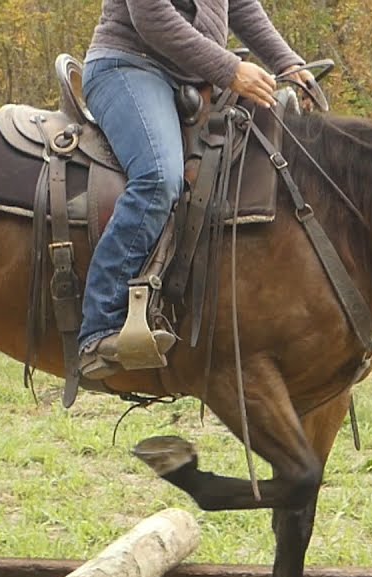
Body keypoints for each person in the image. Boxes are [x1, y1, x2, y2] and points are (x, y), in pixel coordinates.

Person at [77, 0, 315, 380]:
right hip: (129, 66)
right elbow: (151, 16)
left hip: (194, 78)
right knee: (159, 177)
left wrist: (289, 63)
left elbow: (241, 6)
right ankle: (98, 326)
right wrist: (230, 69)